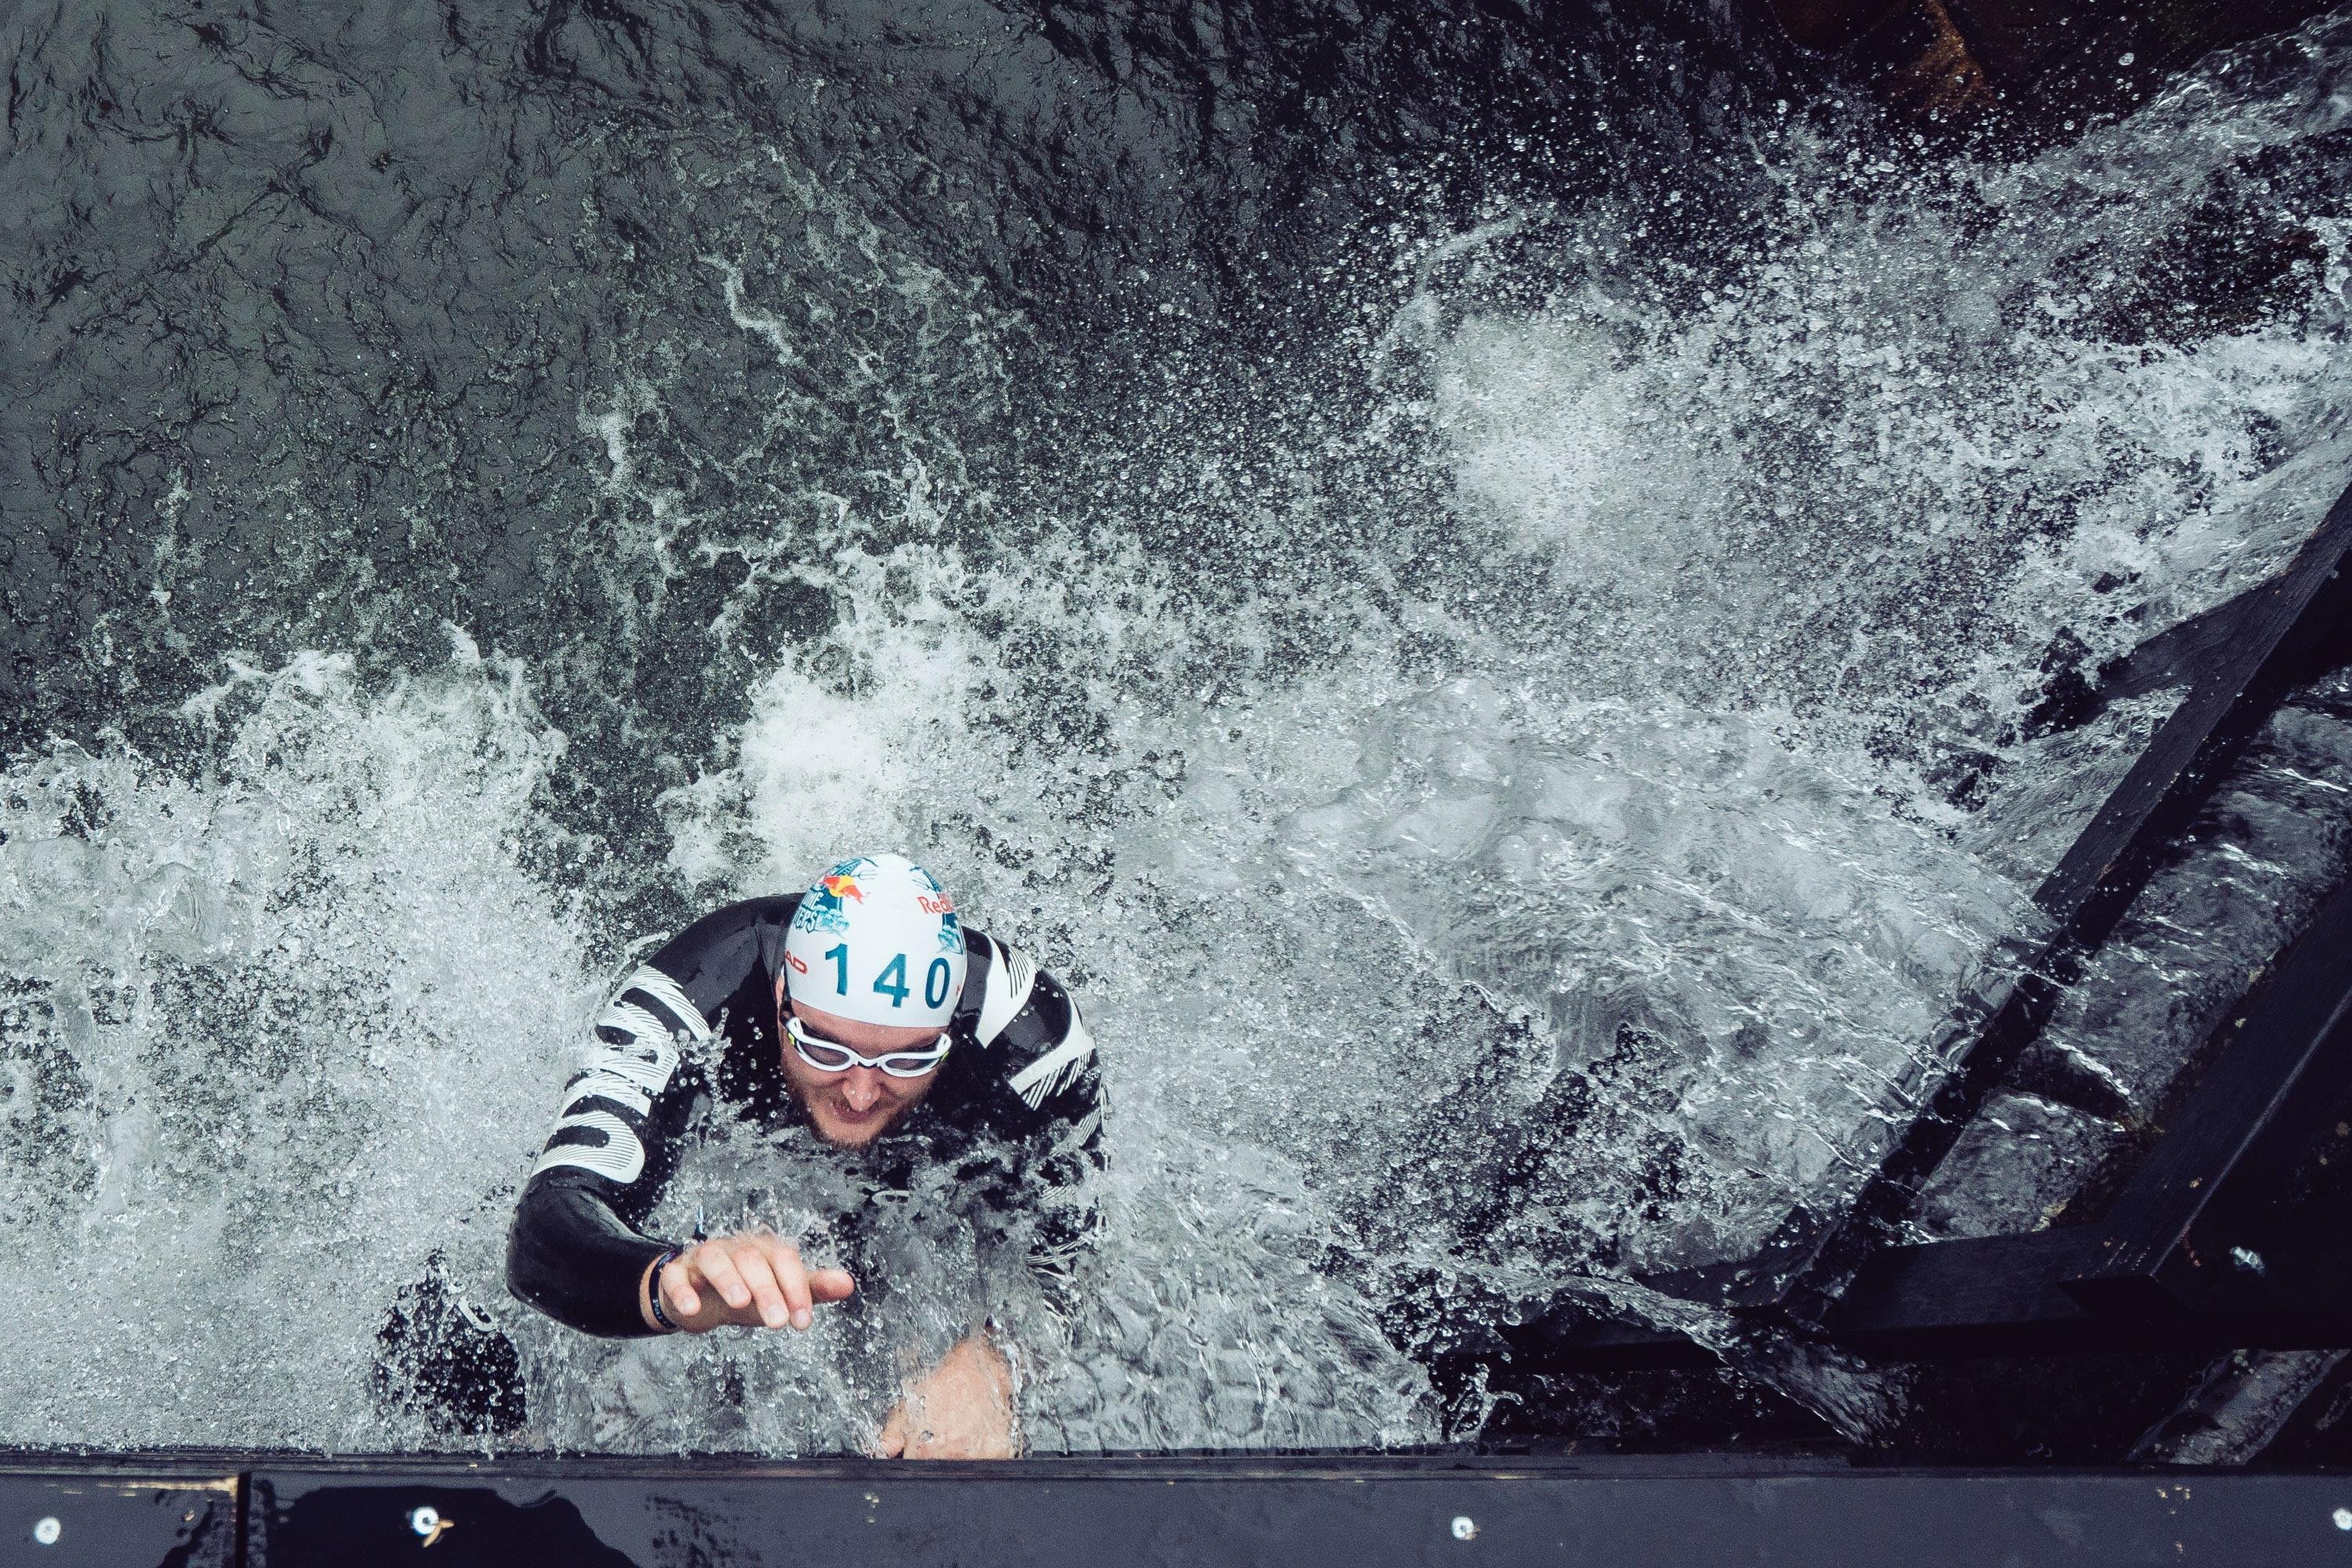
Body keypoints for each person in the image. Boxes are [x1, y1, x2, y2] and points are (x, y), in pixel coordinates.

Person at [503, 852, 1105, 1457]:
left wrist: (997, 1364)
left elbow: (1068, 1257)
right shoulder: (693, 1000)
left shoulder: (1033, 1043)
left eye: (907, 1061)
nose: (861, 1093)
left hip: (913, 1197)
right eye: (825, 1048)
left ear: (950, 1027)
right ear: (783, 998)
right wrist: (669, 1281)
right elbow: (544, 1229)